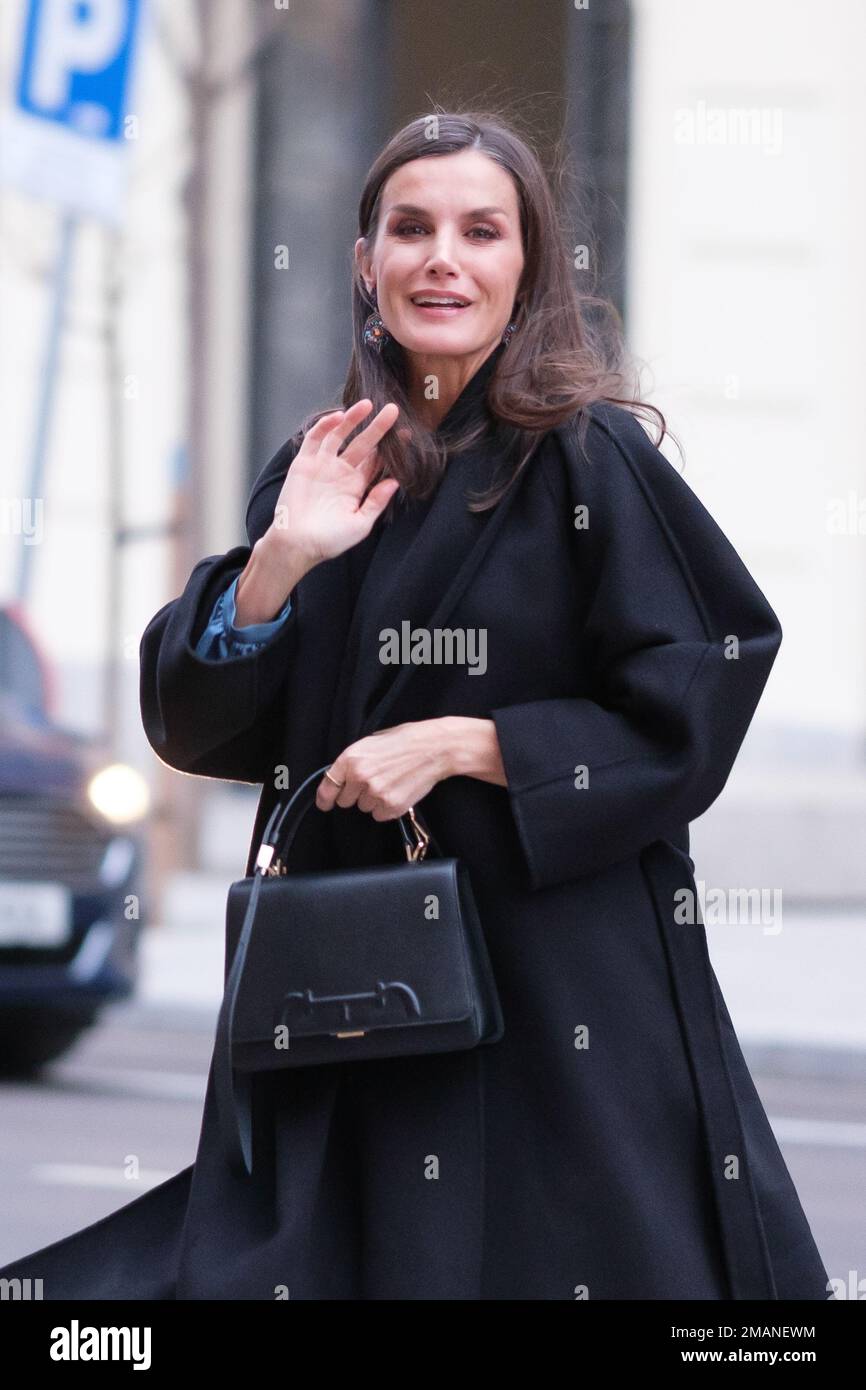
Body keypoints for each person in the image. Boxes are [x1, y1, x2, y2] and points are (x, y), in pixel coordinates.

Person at [0, 110, 830, 1301]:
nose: (442, 258)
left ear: (526, 268)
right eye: (411, 228)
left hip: (552, 1006)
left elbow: (700, 680)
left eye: (480, 231)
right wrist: (278, 561)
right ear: (365, 262)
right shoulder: (326, 464)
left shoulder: (587, 459)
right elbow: (196, 726)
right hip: (352, 991)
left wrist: (471, 744)